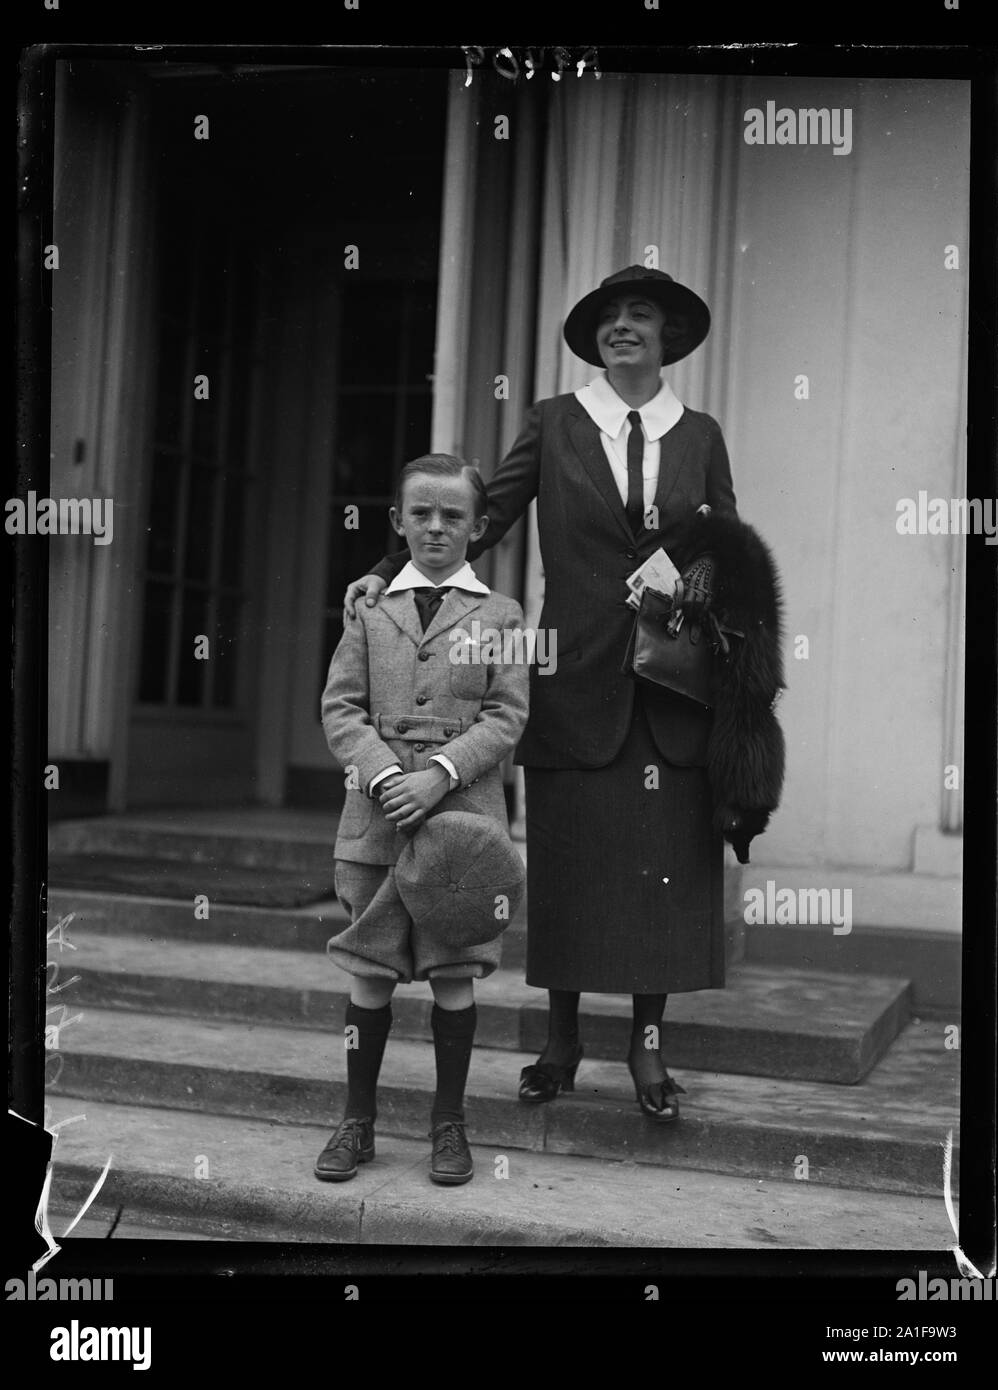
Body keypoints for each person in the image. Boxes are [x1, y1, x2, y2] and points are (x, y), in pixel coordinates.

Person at [343, 266, 784, 1124]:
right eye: (611, 316)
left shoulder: (700, 433)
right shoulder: (553, 422)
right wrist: (382, 572)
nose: (624, 326)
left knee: (663, 877)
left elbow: (729, 541)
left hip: (672, 689)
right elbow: (489, 517)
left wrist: (705, 567)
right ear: (596, 338)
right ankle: (562, 1041)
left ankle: (645, 1050)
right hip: (570, 676)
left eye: (641, 315)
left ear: (667, 337)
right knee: (573, 868)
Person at [317, 453, 529, 1184]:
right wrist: (381, 774)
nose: (436, 528)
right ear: (397, 523)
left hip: (461, 827)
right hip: (374, 822)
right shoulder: (369, 609)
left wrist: (439, 774)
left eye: (452, 516)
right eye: (421, 515)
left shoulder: (501, 615)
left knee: (453, 973)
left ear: (477, 527)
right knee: (369, 972)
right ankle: (357, 1121)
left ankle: (448, 1125)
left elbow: (507, 716)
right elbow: (340, 706)